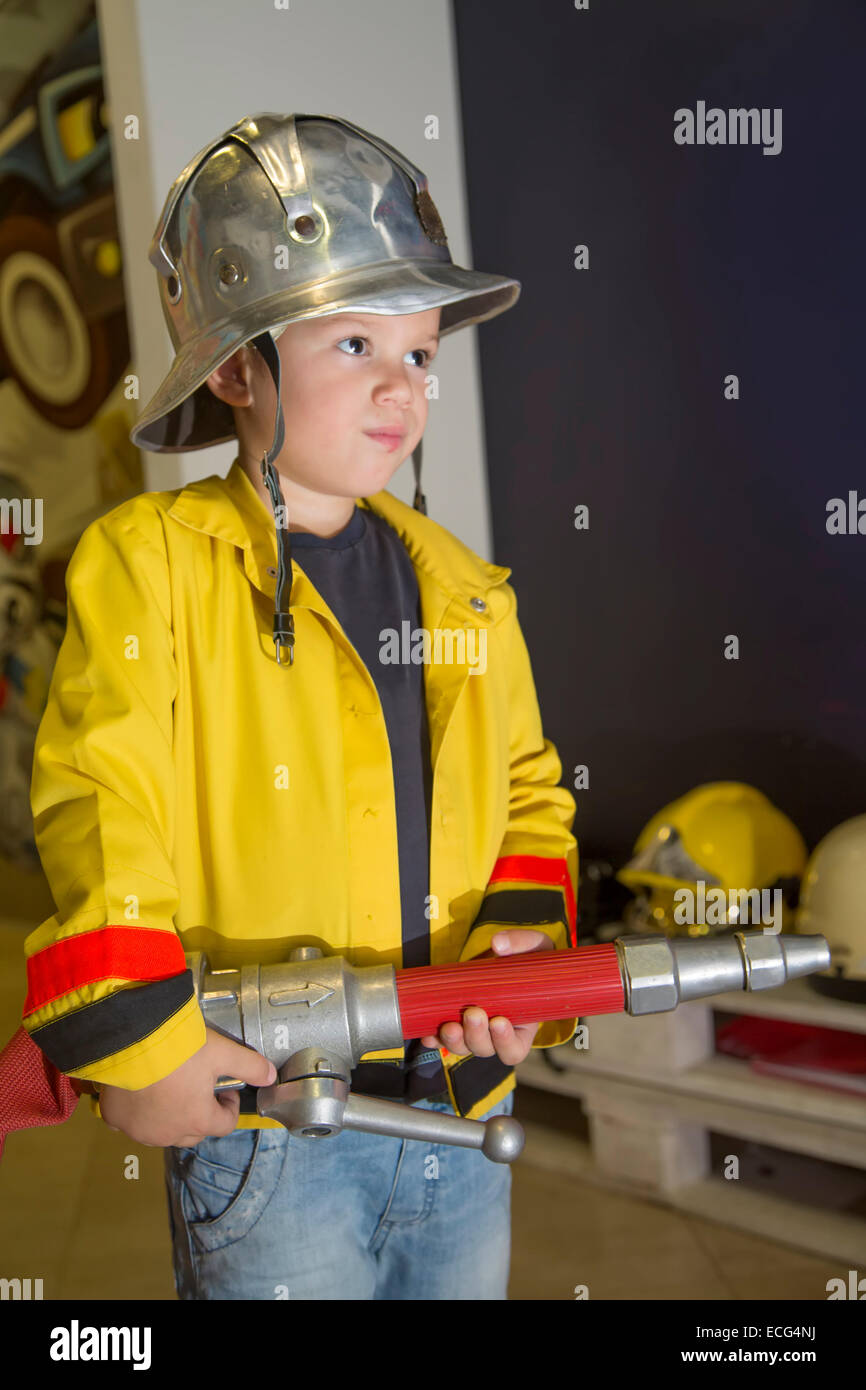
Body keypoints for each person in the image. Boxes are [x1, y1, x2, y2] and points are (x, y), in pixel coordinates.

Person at [21, 113, 579, 1299]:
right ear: (234, 368)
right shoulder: (150, 566)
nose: (401, 386)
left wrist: (519, 951)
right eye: (355, 345)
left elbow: (530, 794)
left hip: (457, 1106)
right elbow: (101, 800)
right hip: (272, 1130)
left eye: (421, 353)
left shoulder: (465, 590)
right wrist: (148, 1042)